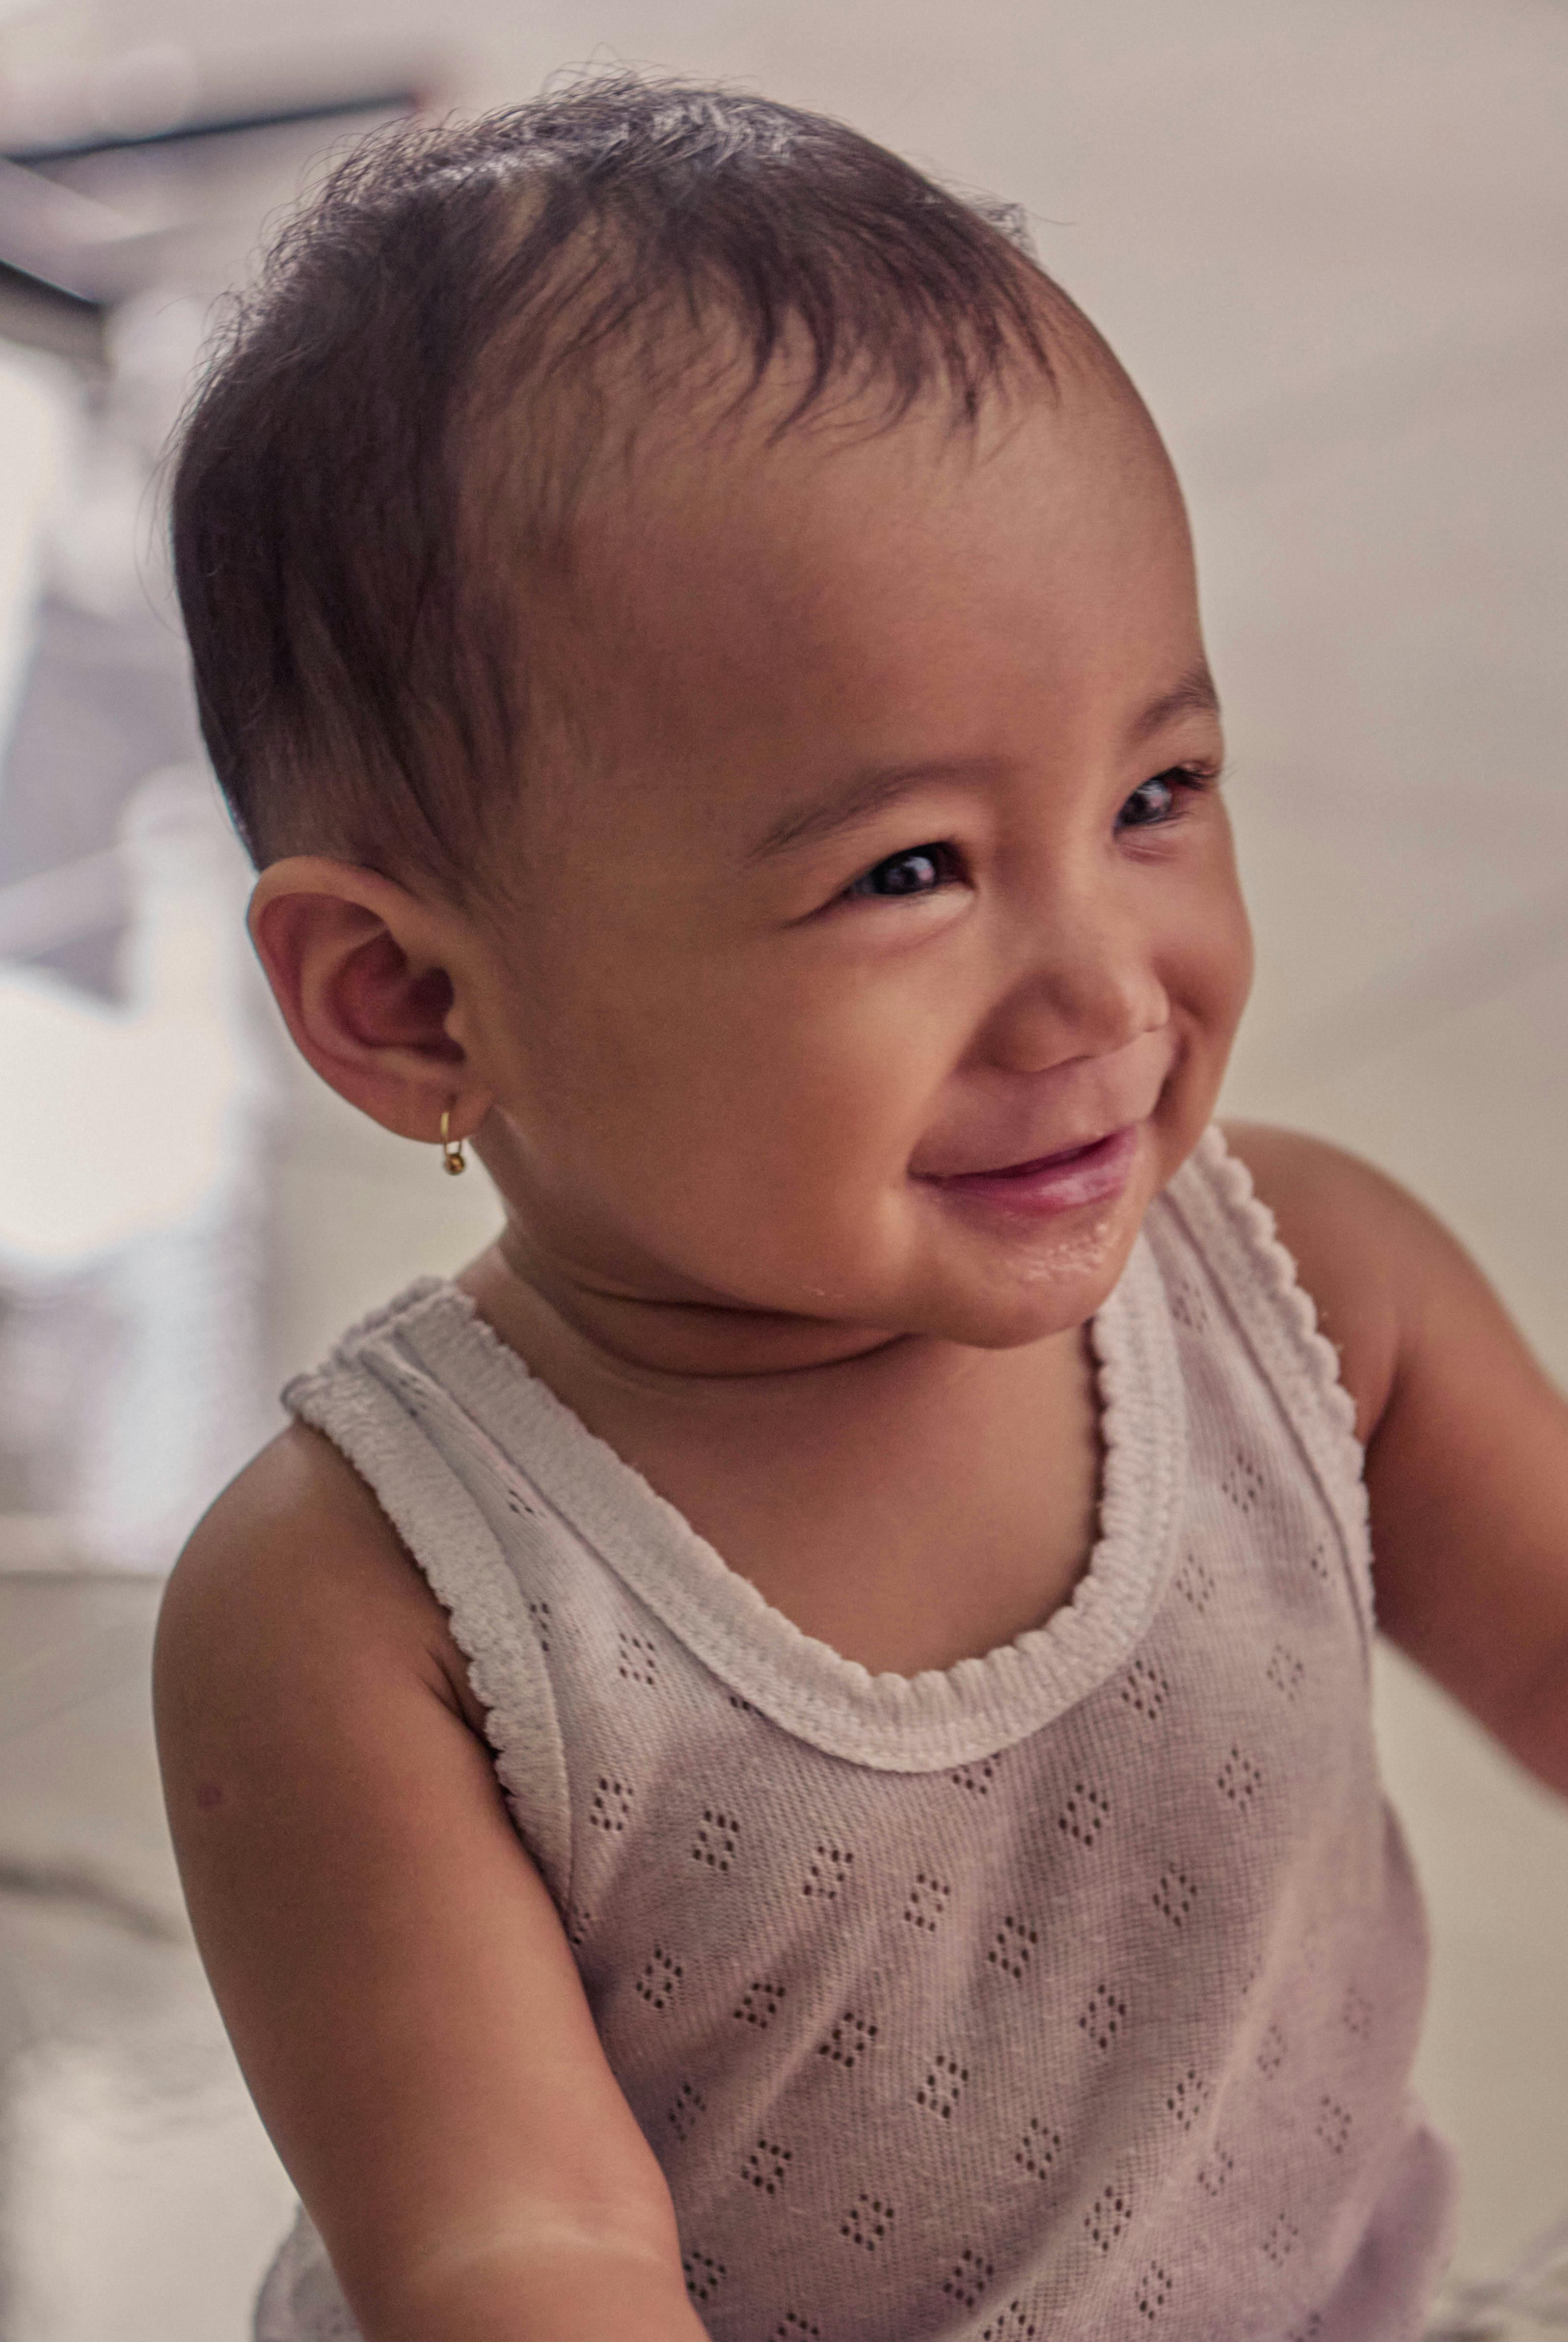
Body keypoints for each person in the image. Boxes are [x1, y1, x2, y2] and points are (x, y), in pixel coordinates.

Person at [151, 75, 1568, 2342]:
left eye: (1154, 794)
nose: (1101, 979)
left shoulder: (1315, 1296)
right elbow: (528, 2254)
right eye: (908, 869)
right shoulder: (368, 1611)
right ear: (409, 1001)